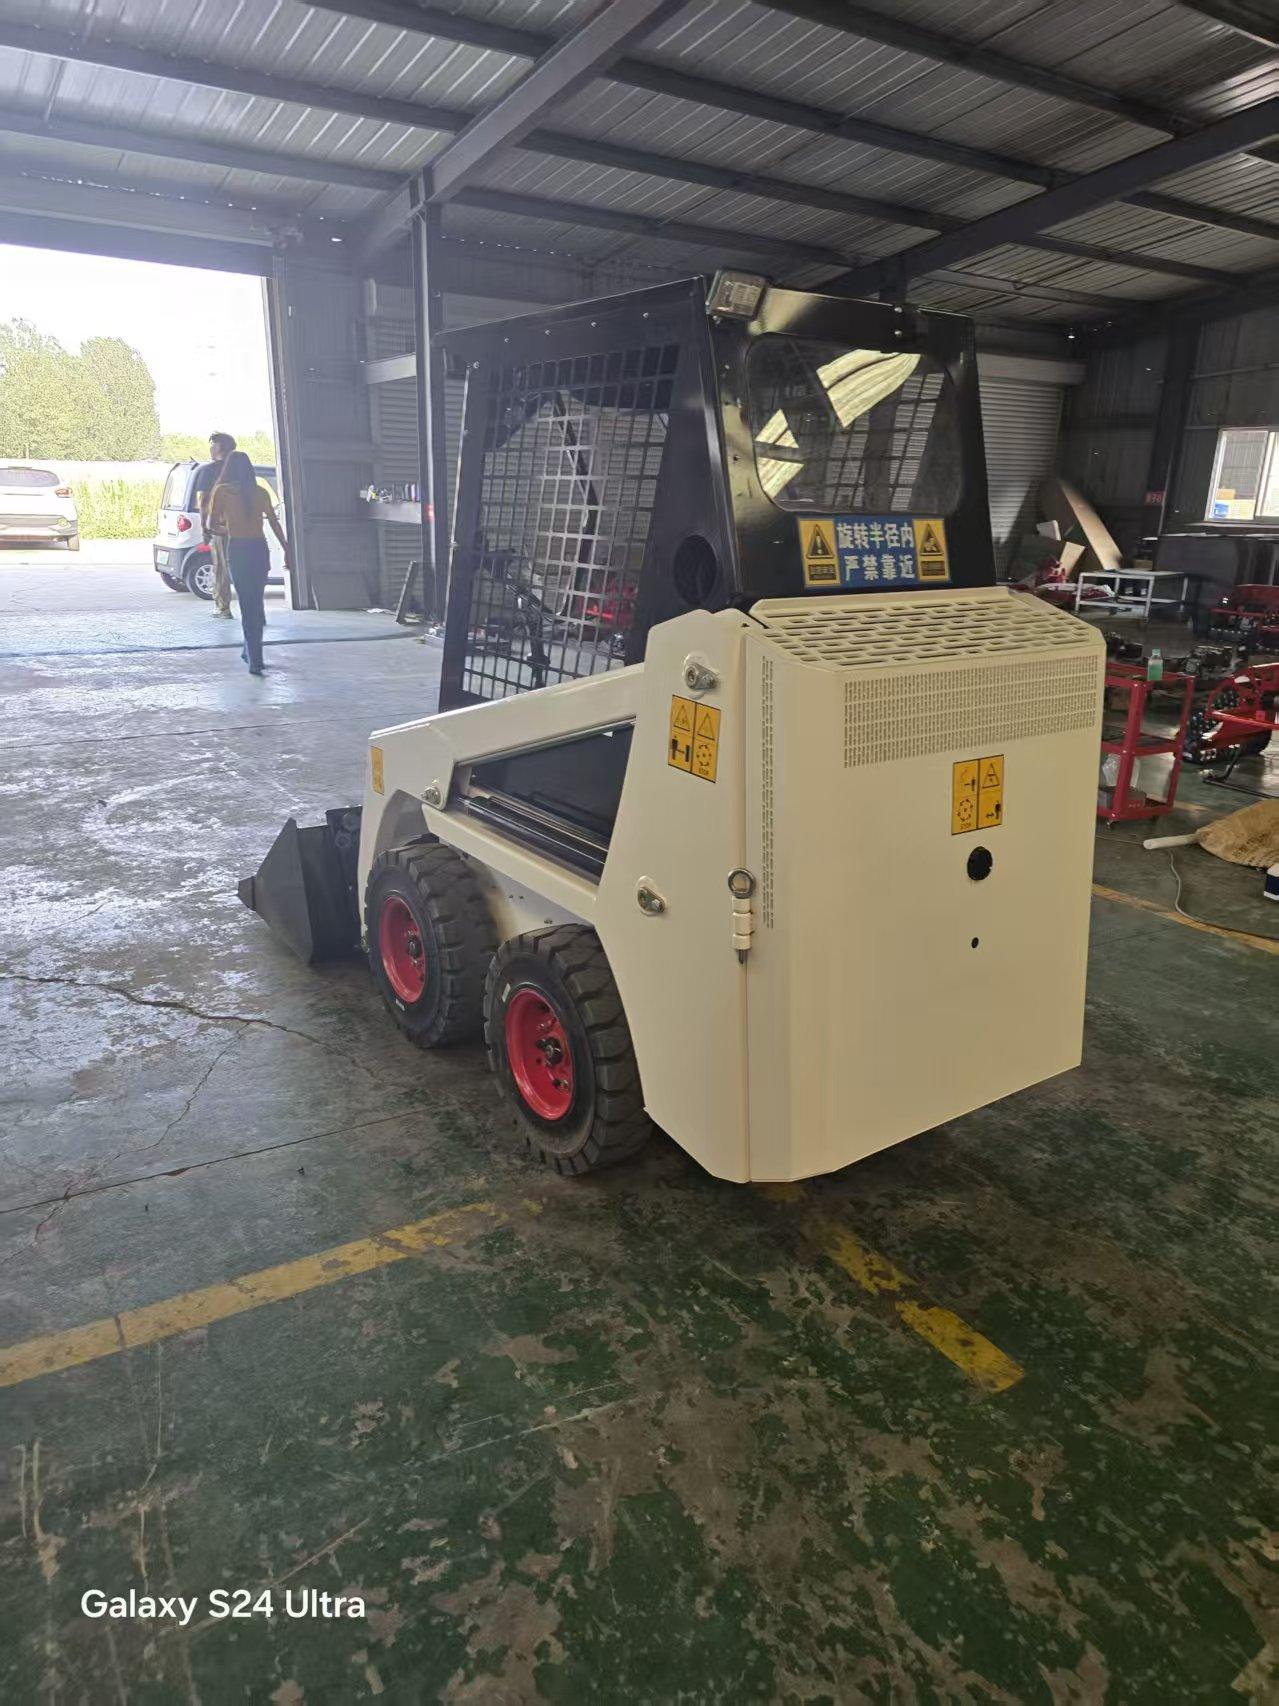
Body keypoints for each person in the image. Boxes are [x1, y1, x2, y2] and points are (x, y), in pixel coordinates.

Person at [207, 451, 291, 676]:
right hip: (259, 549)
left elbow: (211, 525)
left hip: (239, 549)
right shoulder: (260, 492)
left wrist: (229, 527)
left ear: (228, 469)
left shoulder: (222, 492)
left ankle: (254, 658)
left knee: (247, 606)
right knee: (255, 603)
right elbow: (274, 523)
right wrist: (287, 549)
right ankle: (251, 651)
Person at [194, 432, 236, 618]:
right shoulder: (242, 470)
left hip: (220, 527)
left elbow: (203, 501)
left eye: (213, 444)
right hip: (243, 526)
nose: (210, 448)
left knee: (221, 567)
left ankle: (223, 607)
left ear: (220, 447)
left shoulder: (208, 471)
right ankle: (253, 608)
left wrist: (204, 526)